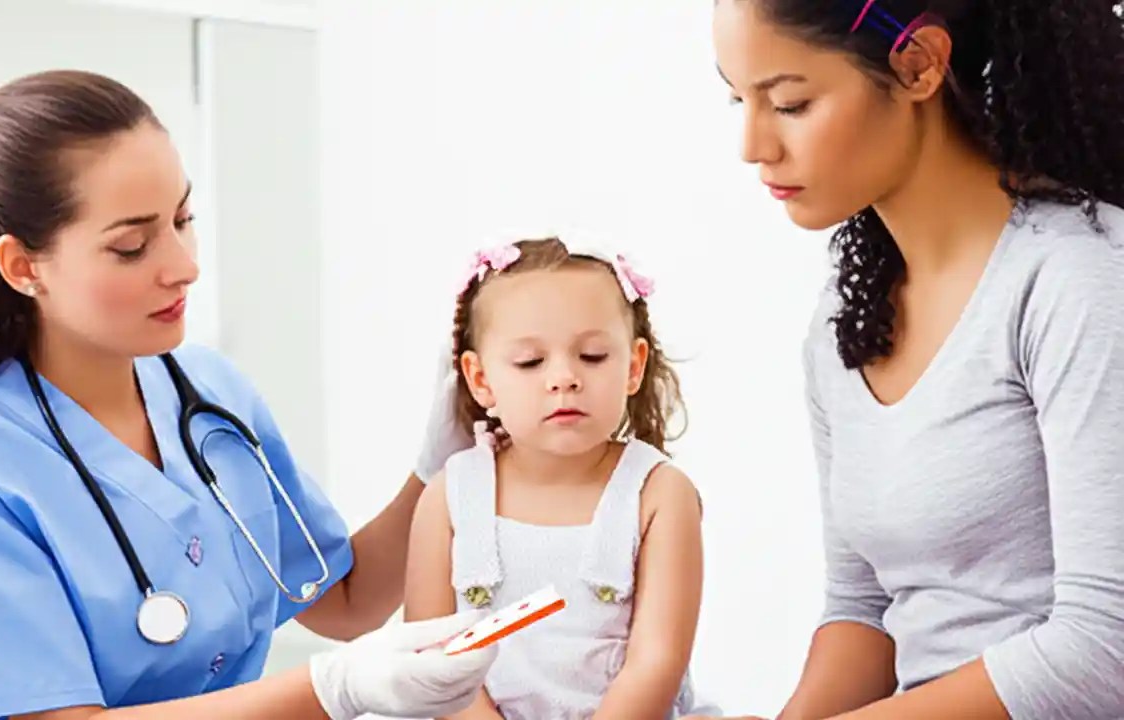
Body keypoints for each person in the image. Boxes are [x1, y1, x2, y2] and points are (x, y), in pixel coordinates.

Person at [0, 69, 498, 720]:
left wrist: (438, 466)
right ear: (24, 267)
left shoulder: (207, 390)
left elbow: (346, 600)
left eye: (183, 219)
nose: (185, 265)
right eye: (132, 247)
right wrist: (330, 690)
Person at [698, 0, 1124, 718]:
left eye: (790, 103)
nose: (752, 144)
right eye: (738, 98)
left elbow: (1104, 654)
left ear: (918, 64)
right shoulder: (848, 317)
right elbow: (864, 609)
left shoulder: (1079, 281)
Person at [404, 238, 721, 719]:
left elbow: (655, 664)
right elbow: (433, 656)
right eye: (531, 362)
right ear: (481, 378)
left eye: (592, 356)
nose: (564, 377)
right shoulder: (450, 497)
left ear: (633, 366)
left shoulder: (658, 493)